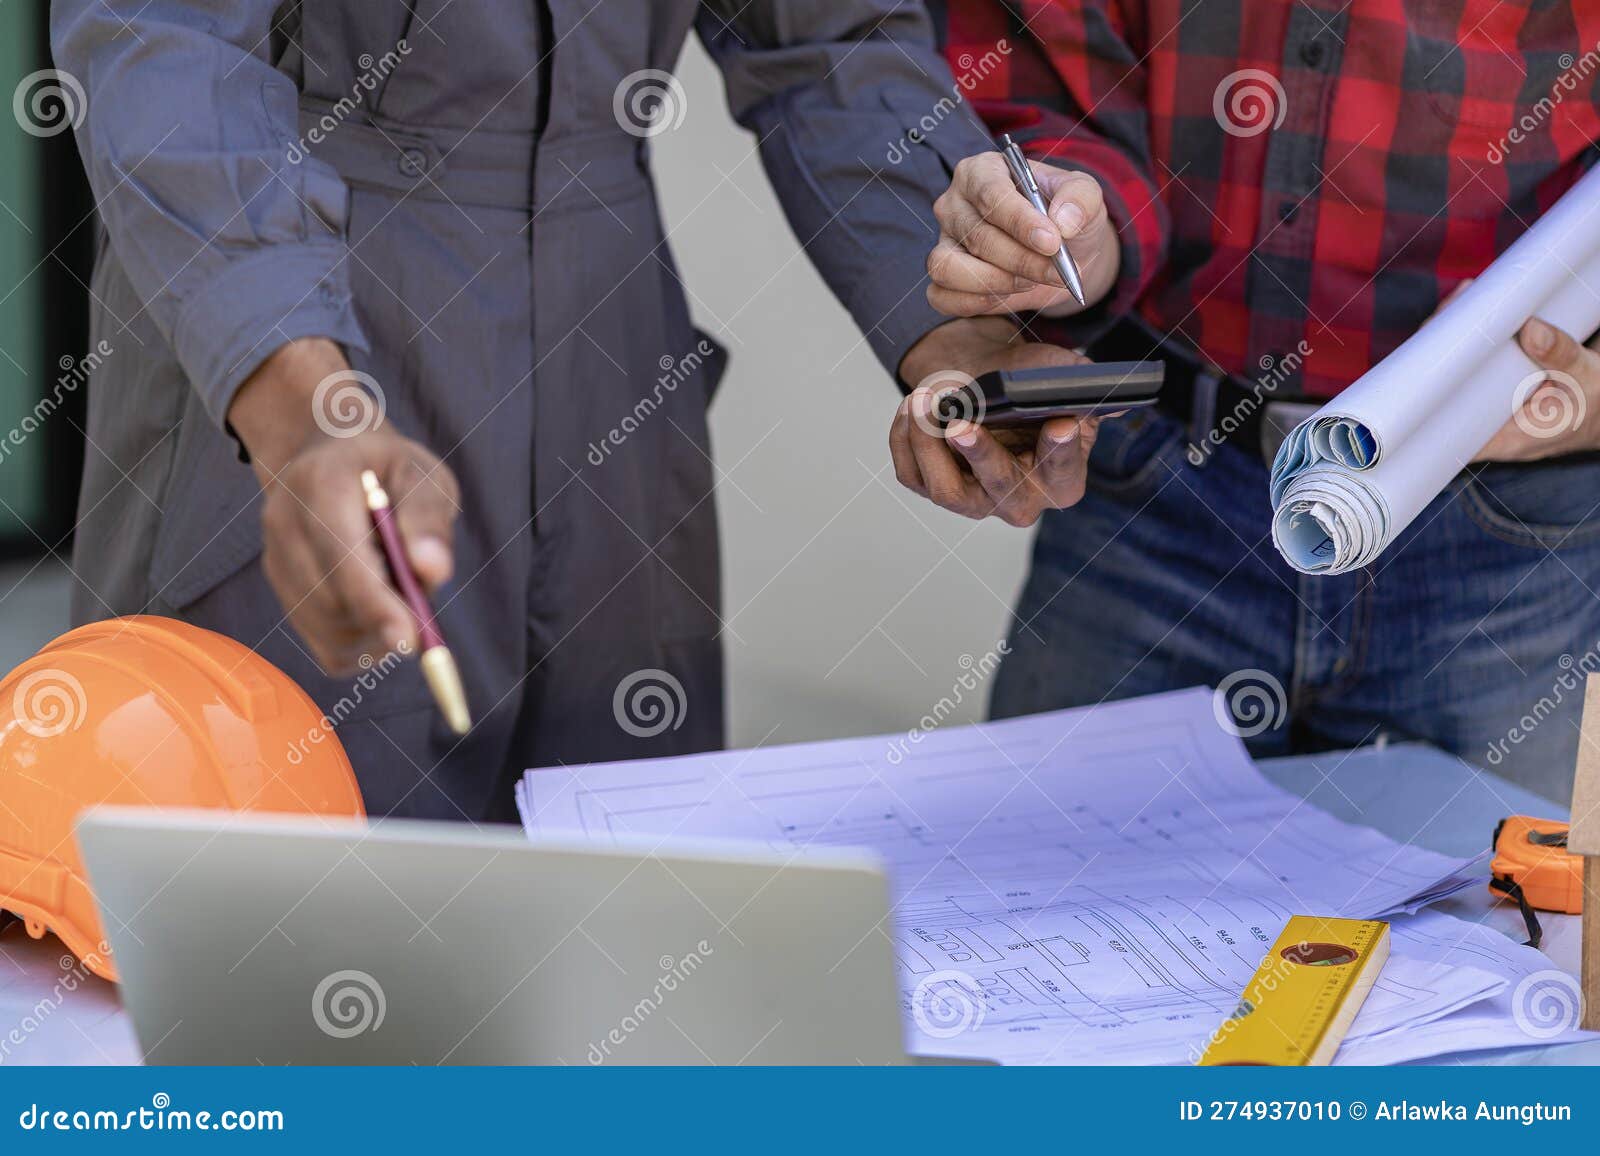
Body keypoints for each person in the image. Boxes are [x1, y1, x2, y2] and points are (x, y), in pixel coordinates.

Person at [52, 0, 1032, 820]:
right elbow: (161, 41)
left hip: (612, 350)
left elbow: (828, 37)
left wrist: (951, 317)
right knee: (286, 928)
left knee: (620, 914)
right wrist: (298, 406)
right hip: (305, 320)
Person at [891, 0, 1600, 800]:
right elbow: (1040, 61)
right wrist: (1071, 223)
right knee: (1044, 910)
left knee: (1509, 917)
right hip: (1154, 502)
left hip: (1509, 548)